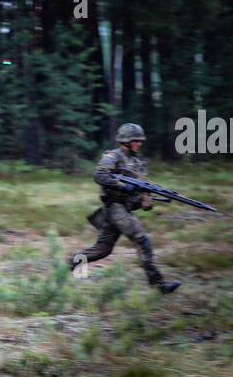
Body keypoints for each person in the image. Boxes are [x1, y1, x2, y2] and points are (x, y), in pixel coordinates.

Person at [68, 123, 181, 294]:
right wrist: (121, 185)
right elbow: (99, 175)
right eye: (136, 140)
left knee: (102, 250)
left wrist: (146, 200)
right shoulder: (113, 157)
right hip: (114, 207)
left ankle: (69, 264)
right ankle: (159, 284)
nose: (139, 144)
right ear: (126, 141)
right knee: (142, 240)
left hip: (123, 209)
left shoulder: (138, 163)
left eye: (140, 141)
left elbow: (143, 191)